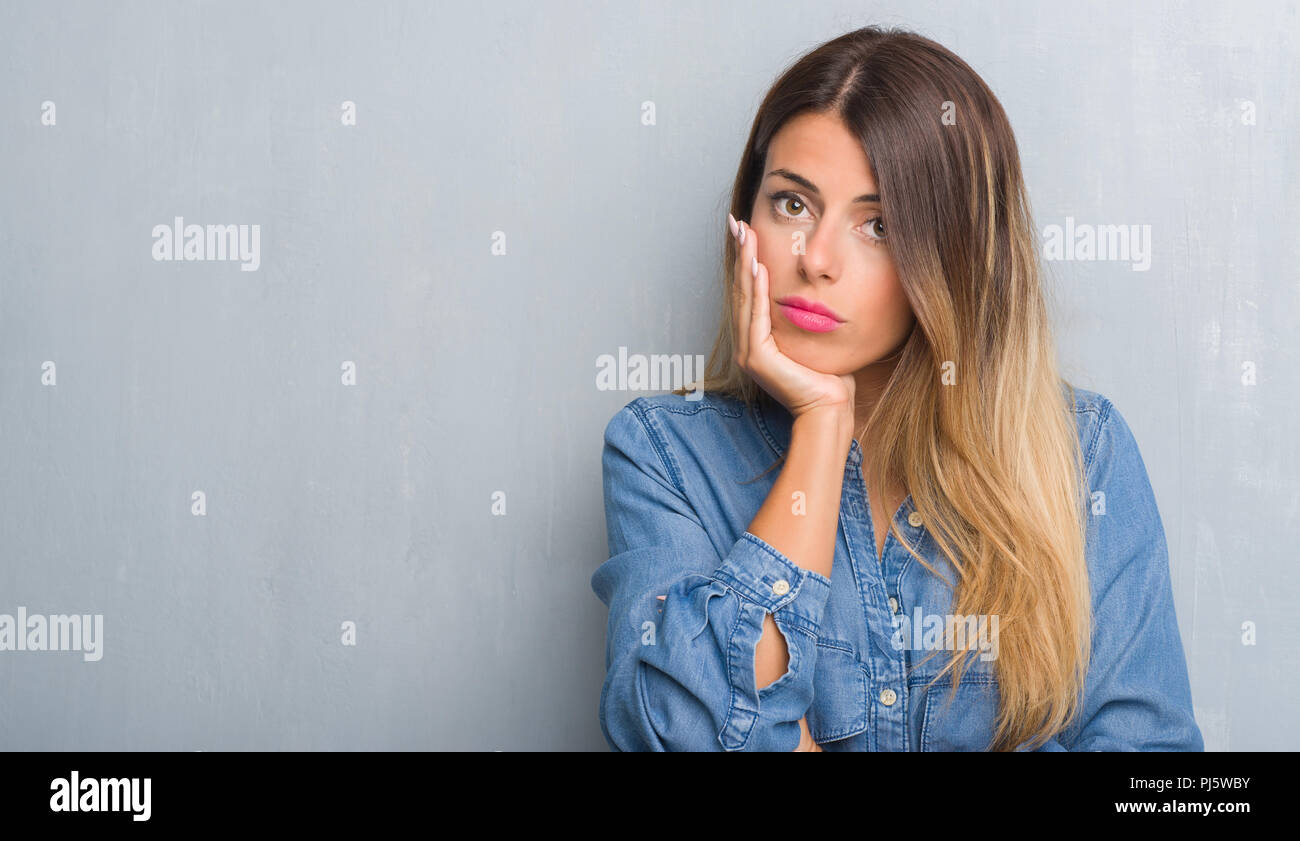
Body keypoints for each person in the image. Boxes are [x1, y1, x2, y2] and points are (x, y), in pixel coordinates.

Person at [591, 25, 1202, 751]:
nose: (814, 258)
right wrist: (822, 423)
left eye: (877, 224)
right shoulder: (663, 454)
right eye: (792, 204)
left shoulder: (1084, 454)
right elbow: (685, 732)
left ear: (957, 258)